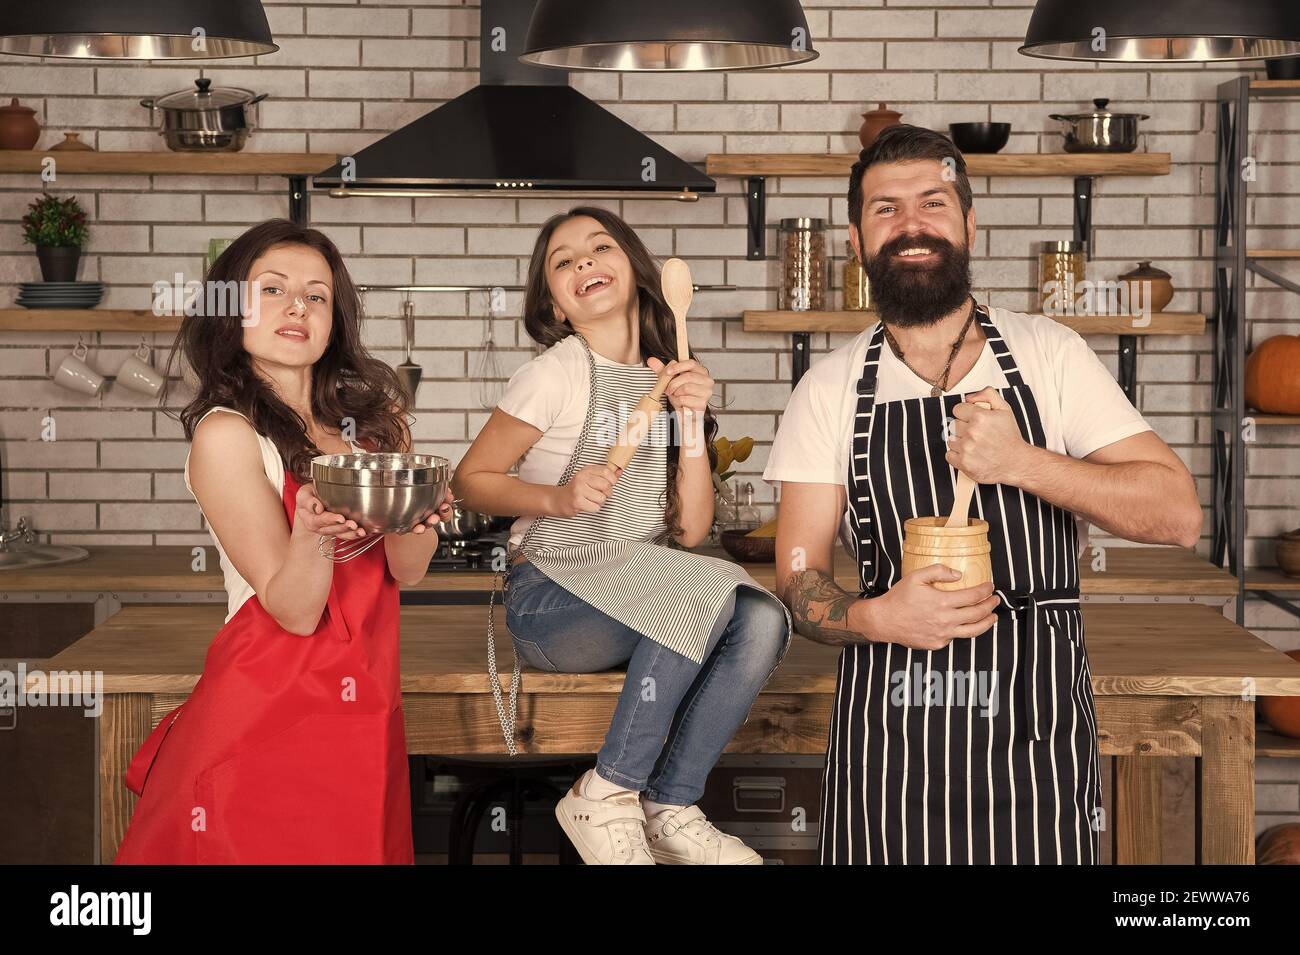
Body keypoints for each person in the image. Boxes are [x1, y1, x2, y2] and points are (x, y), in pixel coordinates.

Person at [764, 126, 1203, 865]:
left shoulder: (1048, 353)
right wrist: (876, 613)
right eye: (885, 209)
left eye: (933, 202)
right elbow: (796, 581)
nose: (910, 223)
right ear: (855, 238)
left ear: (970, 223)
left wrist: (1023, 461)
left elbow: (1177, 513)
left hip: (1034, 734)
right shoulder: (830, 387)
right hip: (891, 742)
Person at [454, 207, 791, 865]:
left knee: (761, 615)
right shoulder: (557, 372)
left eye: (599, 245)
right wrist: (555, 496)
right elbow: (471, 480)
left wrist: (691, 423)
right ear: (552, 301)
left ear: (637, 270)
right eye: (562, 259)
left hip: (641, 593)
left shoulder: (672, 377)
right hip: (552, 600)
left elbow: (690, 530)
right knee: (705, 592)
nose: (583, 260)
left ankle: (668, 804)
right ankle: (605, 793)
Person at [115, 219, 452, 864]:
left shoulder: (376, 427)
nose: (297, 307)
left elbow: (406, 572)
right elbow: (294, 611)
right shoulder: (229, 435)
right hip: (265, 714)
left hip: (363, 709)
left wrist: (417, 514)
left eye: (316, 295)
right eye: (272, 290)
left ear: (334, 321)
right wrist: (310, 534)